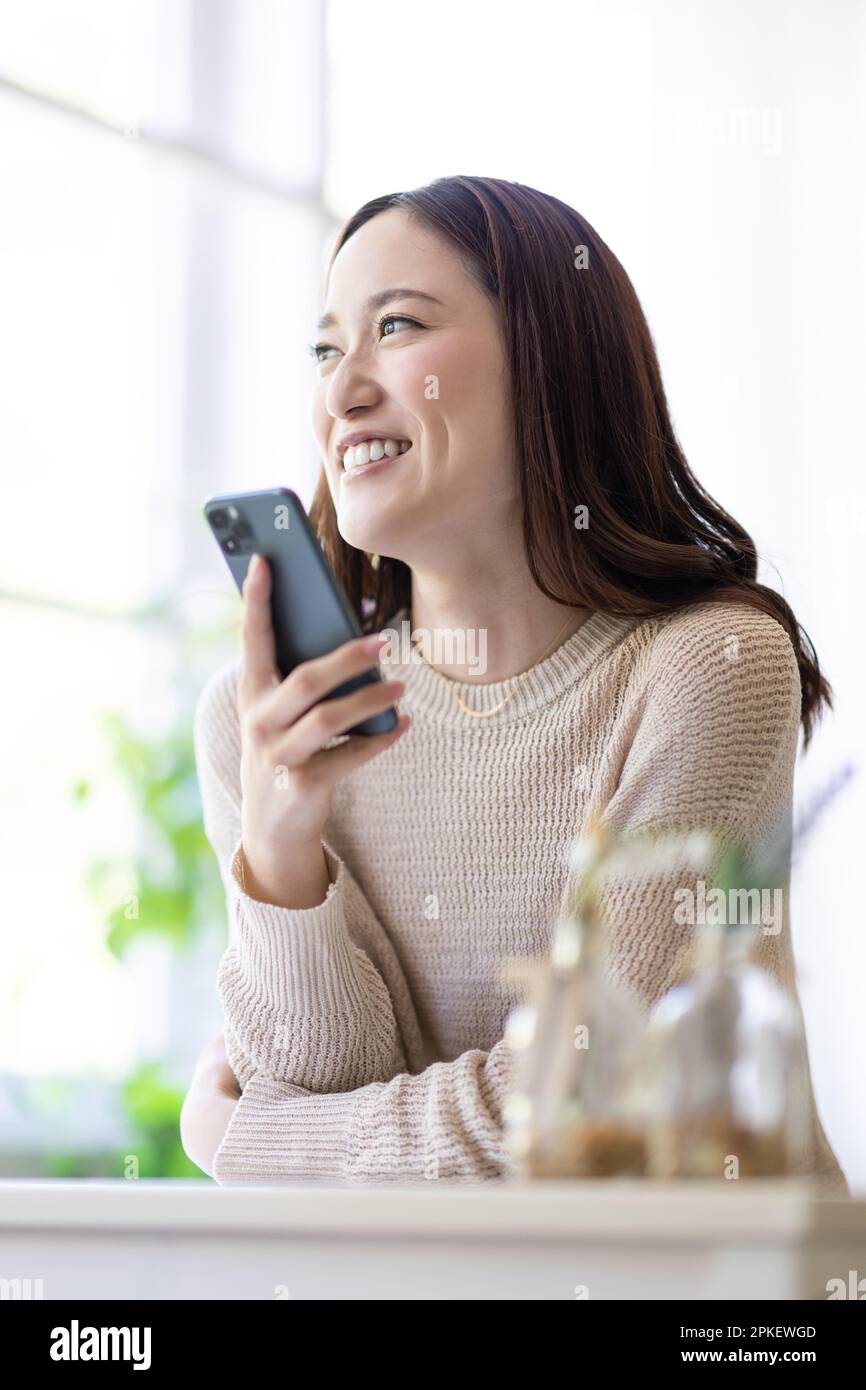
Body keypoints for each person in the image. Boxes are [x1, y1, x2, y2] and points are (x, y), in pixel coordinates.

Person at [180, 175, 847, 1193]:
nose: (341, 388)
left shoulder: (705, 665)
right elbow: (333, 1125)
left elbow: (595, 1100)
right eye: (325, 348)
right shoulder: (260, 724)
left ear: (546, 359)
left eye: (394, 326)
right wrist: (281, 850)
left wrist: (250, 1141)